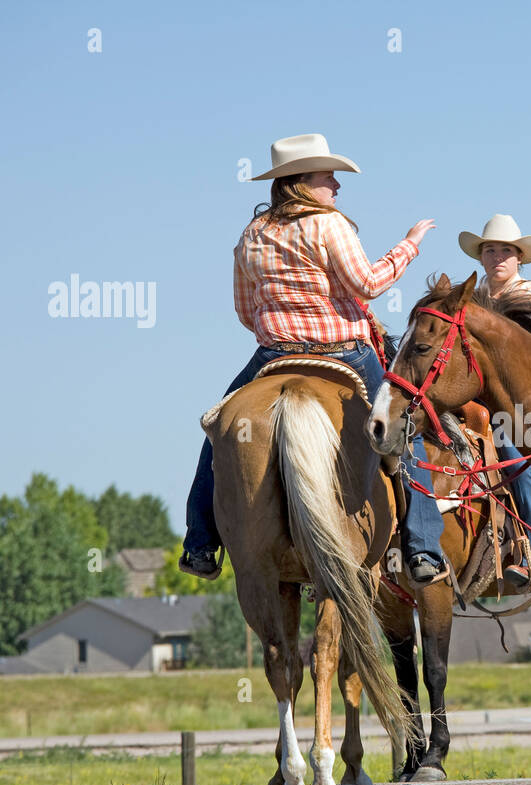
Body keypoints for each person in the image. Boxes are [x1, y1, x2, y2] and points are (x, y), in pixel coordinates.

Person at [180, 133, 450, 586]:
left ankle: (201, 544)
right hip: (346, 352)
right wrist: (410, 244)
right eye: (329, 177)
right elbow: (367, 283)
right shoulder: (330, 225)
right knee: (405, 431)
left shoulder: (251, 234)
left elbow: (245, 311)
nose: (337, 187)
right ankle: (422, 548)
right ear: (301, 181)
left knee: (219, 432)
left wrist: (284, 329)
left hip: (273, 355)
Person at [457, 214, 531, 590]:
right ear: (481, 257)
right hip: (478, 406)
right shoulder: (472, 302)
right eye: (490, 250)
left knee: (515, 462)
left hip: (526, 408)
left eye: (505, 251)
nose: (497, 257)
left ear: (519, 257)